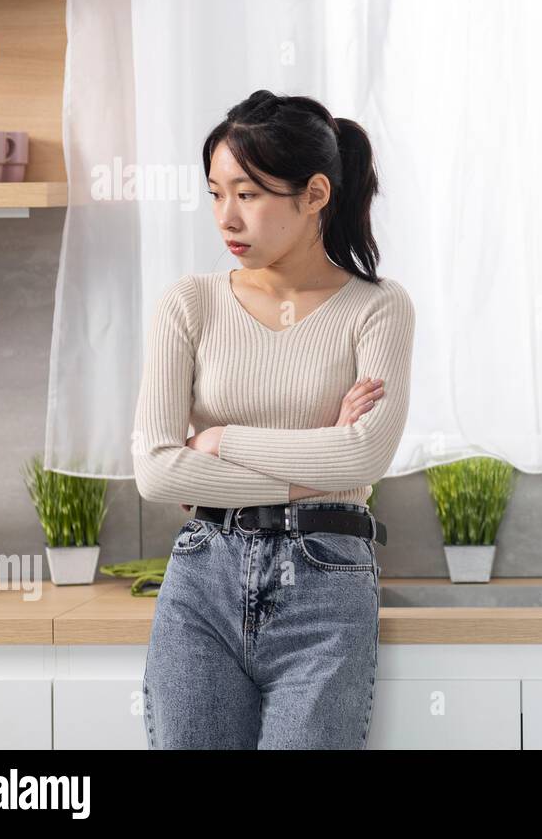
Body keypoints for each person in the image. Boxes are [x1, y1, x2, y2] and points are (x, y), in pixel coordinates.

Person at [132, 90, 415, 749]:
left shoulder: (376, 308)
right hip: (203, 576)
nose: (226, 218)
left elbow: (364, 457)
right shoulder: (188, 304)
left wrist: (220, 443)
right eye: (215, 193)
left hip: (327, 581)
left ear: (315, 194)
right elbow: (156, 472)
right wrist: (316, 470)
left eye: (249, 194)